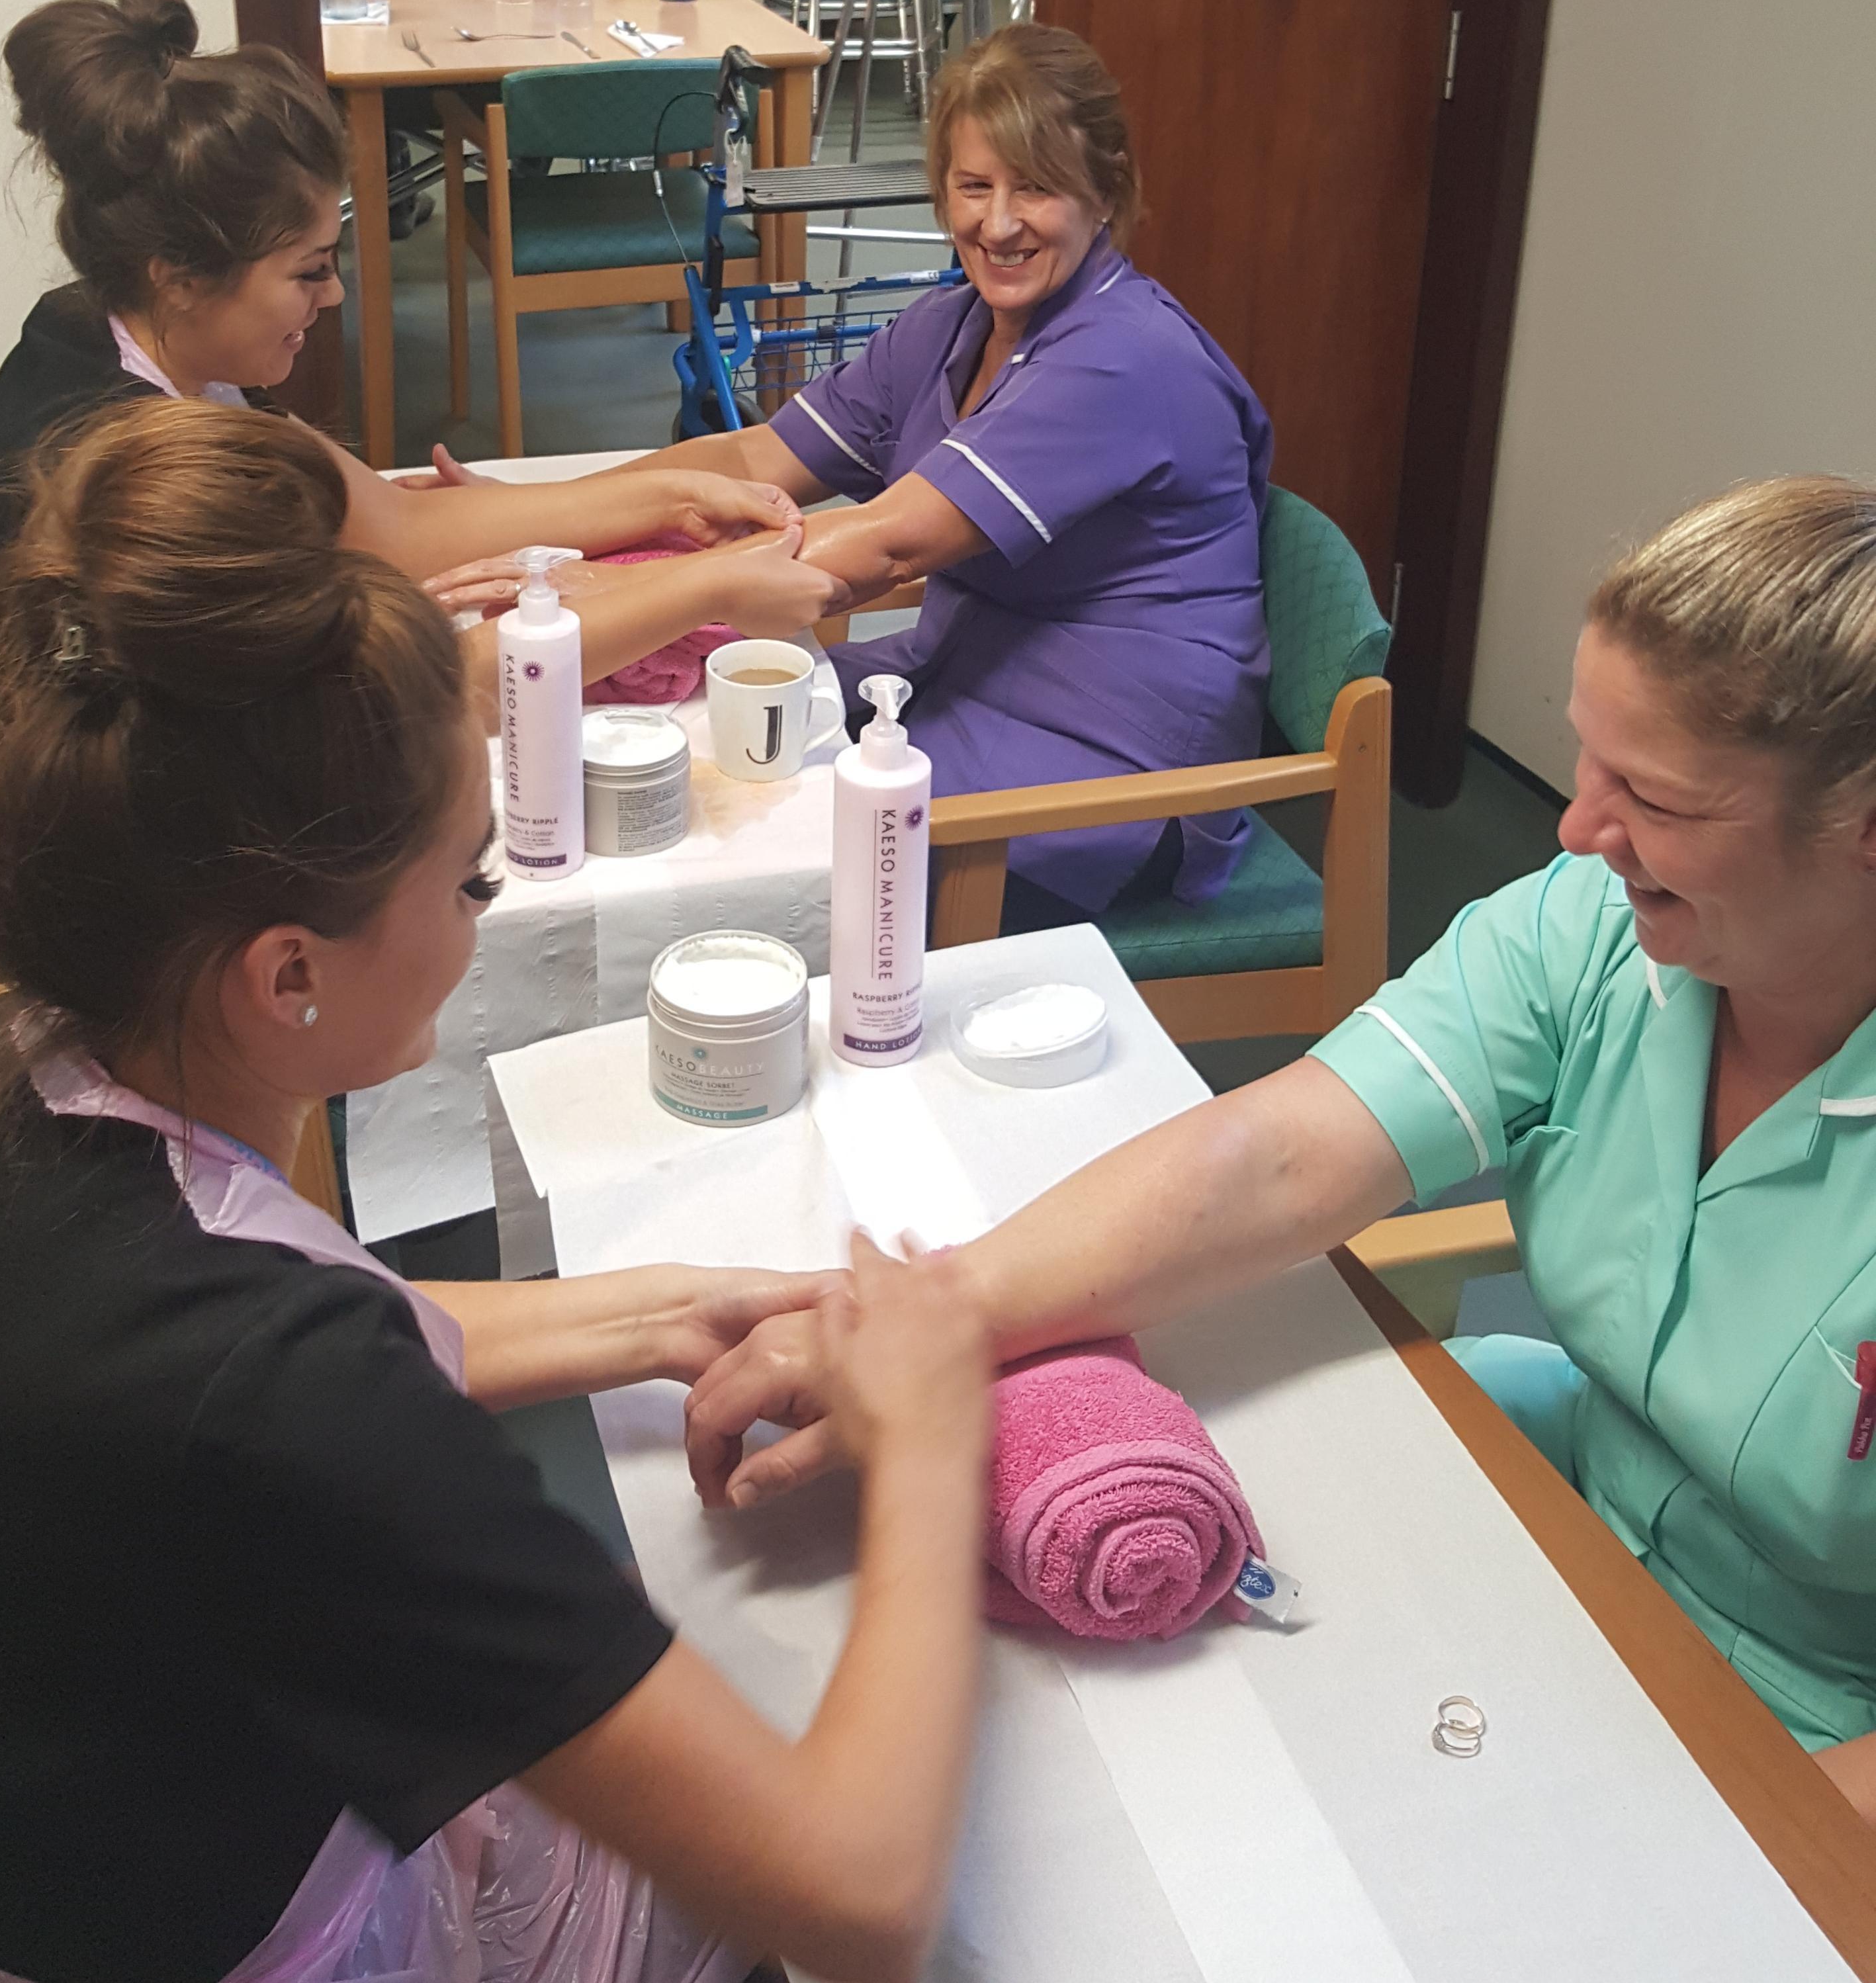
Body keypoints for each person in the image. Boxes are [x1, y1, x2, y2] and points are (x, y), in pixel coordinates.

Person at [0, 396, 987, 1983]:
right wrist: (935, 1435)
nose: (481, 918)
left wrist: (686, 1310)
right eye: (469, 879)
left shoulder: (11, 1072)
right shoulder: (287, 1396)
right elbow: (859, 1896)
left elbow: (322, 1337)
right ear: (287, 977)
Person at [686, 473, 1876, 1828]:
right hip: (1581, 1483)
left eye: (1651, 800)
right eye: (1581, 758)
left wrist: (1763, 1871)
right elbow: (1282, 1150)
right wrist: (933, 1310)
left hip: (1811, 1696)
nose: (1571, 828)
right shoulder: (1597, 927)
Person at [0, 0, 840, 983]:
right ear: (180, 274)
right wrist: (710, 586)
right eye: (307, 270)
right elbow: (427, 700)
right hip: (4, 917)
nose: (335, 293)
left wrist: (664, 501)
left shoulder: (107, 325)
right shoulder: (143, 460)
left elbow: (393, 524)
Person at [612, 21, 1274, 917]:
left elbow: (879, 548)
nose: (995, 225)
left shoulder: (1123, 359)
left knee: (718, 852)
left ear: (1105, 193)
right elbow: (742, 461)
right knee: (670, 742)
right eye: (973, 186)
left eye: (1035, 188)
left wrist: (596, 592)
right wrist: (540, 524)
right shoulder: (952, 328)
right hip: (958, 686)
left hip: (1110, 778)